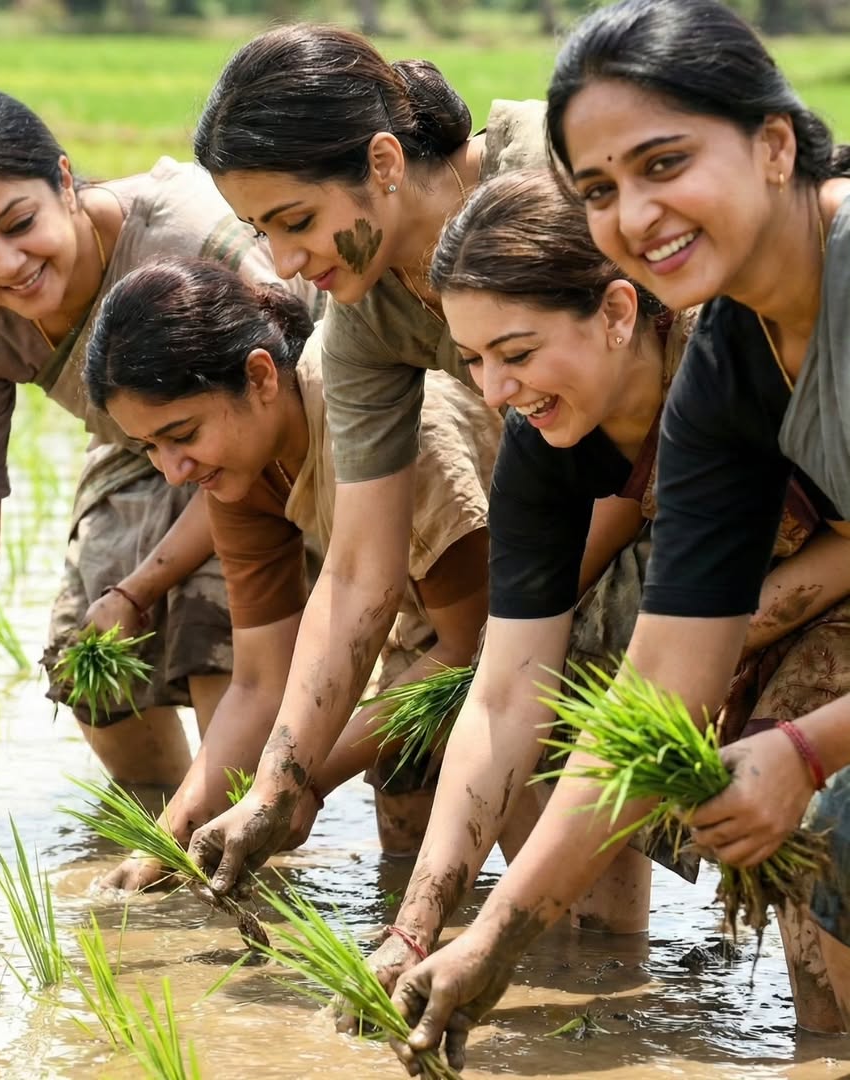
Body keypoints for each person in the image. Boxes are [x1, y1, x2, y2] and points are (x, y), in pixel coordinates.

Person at [388, 2, 850, 1070]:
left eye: (665, 162)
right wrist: (483, 942)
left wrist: (802, 750)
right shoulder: (731, 366)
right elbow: (655, 686)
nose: (636, 214)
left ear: (775, 144)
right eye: (600, 190)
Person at [0, 89, 318, 829]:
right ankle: (169, 832)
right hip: (138, 447)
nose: (7, 264)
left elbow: (274, 413)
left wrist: (139, 588)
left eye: (19, 223)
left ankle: (252, 833)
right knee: (92, 673)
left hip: (271, 434)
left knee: (211, 630)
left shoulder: (187, 233)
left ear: (66, 182)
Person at [185, 23, 548, 893]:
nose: (286, 262)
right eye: (259, 232)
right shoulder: (366, 321)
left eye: (297, 221)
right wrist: (282, 780)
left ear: (384, 162)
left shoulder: (553, 188)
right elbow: (357, 574)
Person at [81, 255, 500, 888]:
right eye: (149, 448)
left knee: (542, 848)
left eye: (182, 433)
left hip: (539, 617)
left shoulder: (386, 422)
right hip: (432, 624)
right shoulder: (243, 471)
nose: (173, 470)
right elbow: (258, 680)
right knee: (406, 830)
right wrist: (165, 839)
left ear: (259, 378)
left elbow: (473, 648)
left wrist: (304, 780)